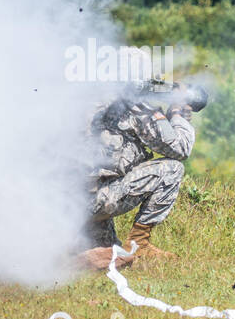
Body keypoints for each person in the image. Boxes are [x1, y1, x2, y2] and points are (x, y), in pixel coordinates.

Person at [79, 81, 209, 270]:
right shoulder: (135, 109)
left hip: (70, 204)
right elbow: (180, 149)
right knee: (172, 169)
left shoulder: (87, 101)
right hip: (95, 202)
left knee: (110, 255)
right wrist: (177, 114)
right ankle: (140, 243)